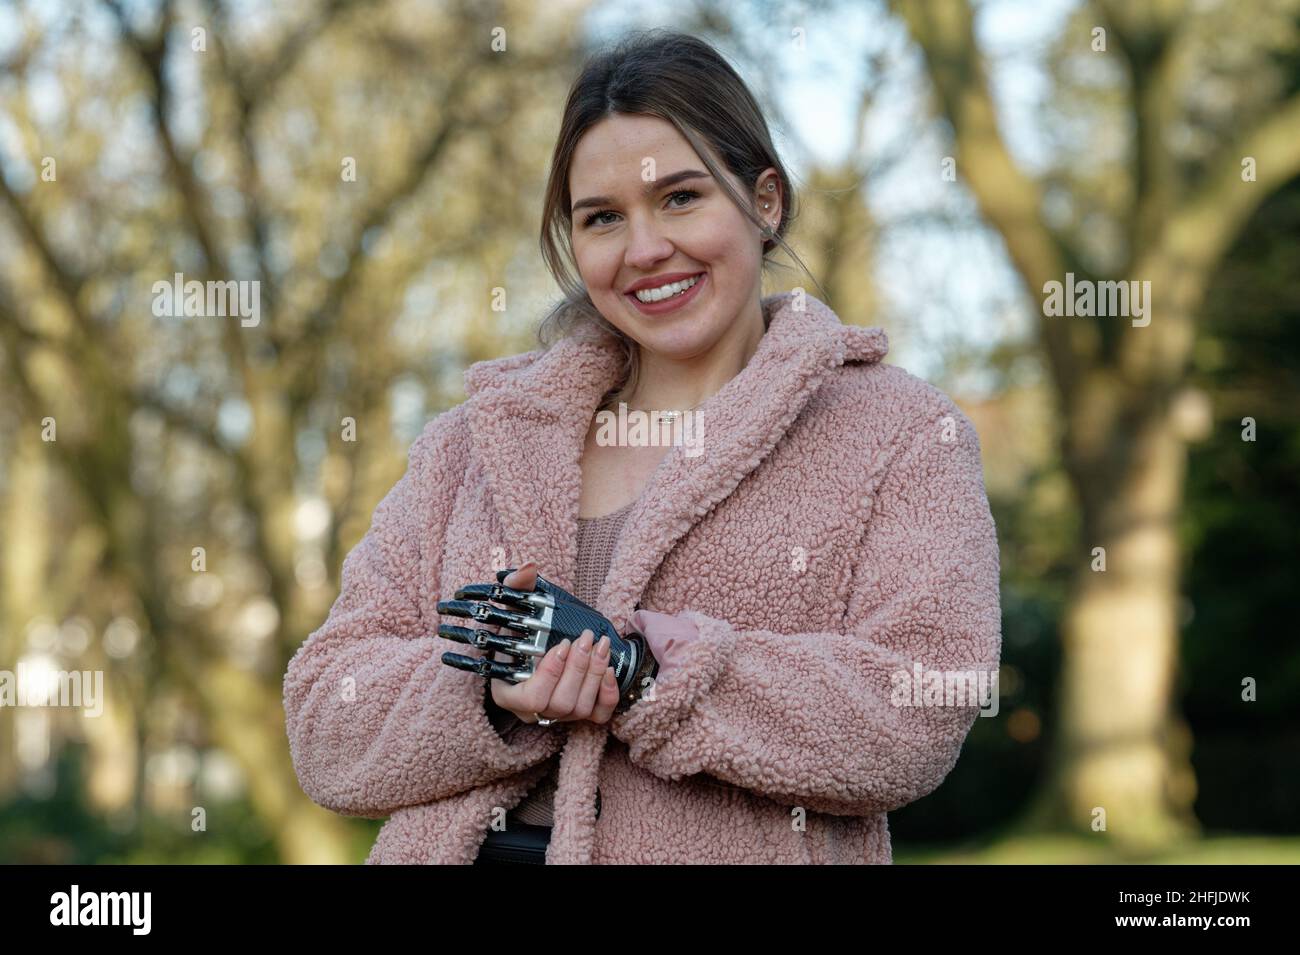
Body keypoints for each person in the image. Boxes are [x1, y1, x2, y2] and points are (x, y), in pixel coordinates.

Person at [283, 28, 1002, 865]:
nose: (645, 248)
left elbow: (919, 707)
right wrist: (492, 695)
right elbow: (322, 718)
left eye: (681, 197)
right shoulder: (472, 446)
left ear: (764, 200)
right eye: (603, 218)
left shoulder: (902, 433)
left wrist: (653, 678)